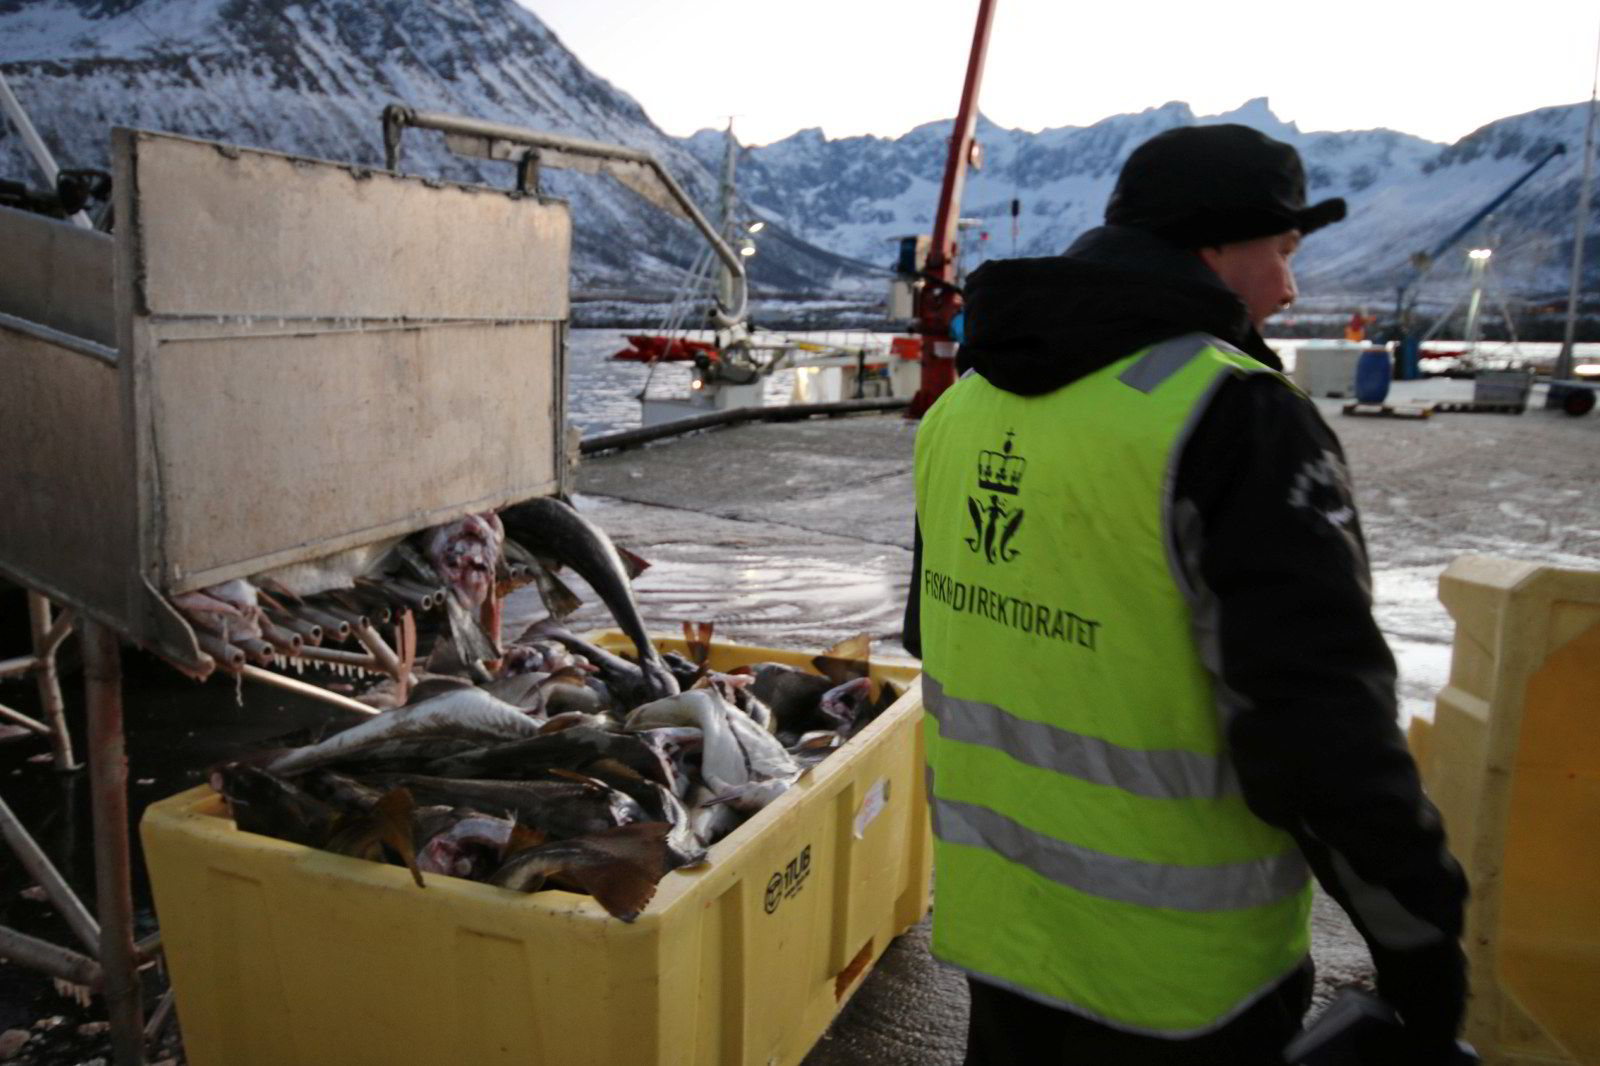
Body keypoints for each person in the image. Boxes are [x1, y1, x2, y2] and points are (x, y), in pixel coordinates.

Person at [904, 123, 1470, 1065]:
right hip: (1182, 983)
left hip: (1003, 942)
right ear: (1214, 246)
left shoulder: (961, 409)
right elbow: (1321, 728)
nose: (1290, 288)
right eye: (1282, 252)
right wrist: (1419, 940)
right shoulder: (1235, 416)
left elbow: (946, 635)